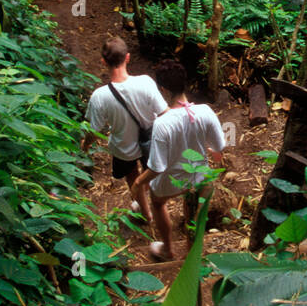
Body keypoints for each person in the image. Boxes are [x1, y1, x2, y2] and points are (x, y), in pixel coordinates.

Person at [134, 58, 226, 260]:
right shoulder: (205, 112)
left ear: (164, 91)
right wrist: (208, 149)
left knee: (158, 203)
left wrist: (139, 182)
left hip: (171, 182)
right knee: (192, 214)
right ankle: (193, 255)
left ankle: (167, 249)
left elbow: (157, 167)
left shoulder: (162, 124)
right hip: (199, 176)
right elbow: (219, 149)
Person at [82, 38, 167, 225]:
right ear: (127, 58)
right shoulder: (145, 82)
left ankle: (146, 214)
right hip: (150, 140)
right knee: (150, 173)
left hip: (123, 147)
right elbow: (164, 112)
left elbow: (94, 130)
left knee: (132, 176)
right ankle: (158, 207)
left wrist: (86, 144)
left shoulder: (99, 96)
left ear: (103, 62)